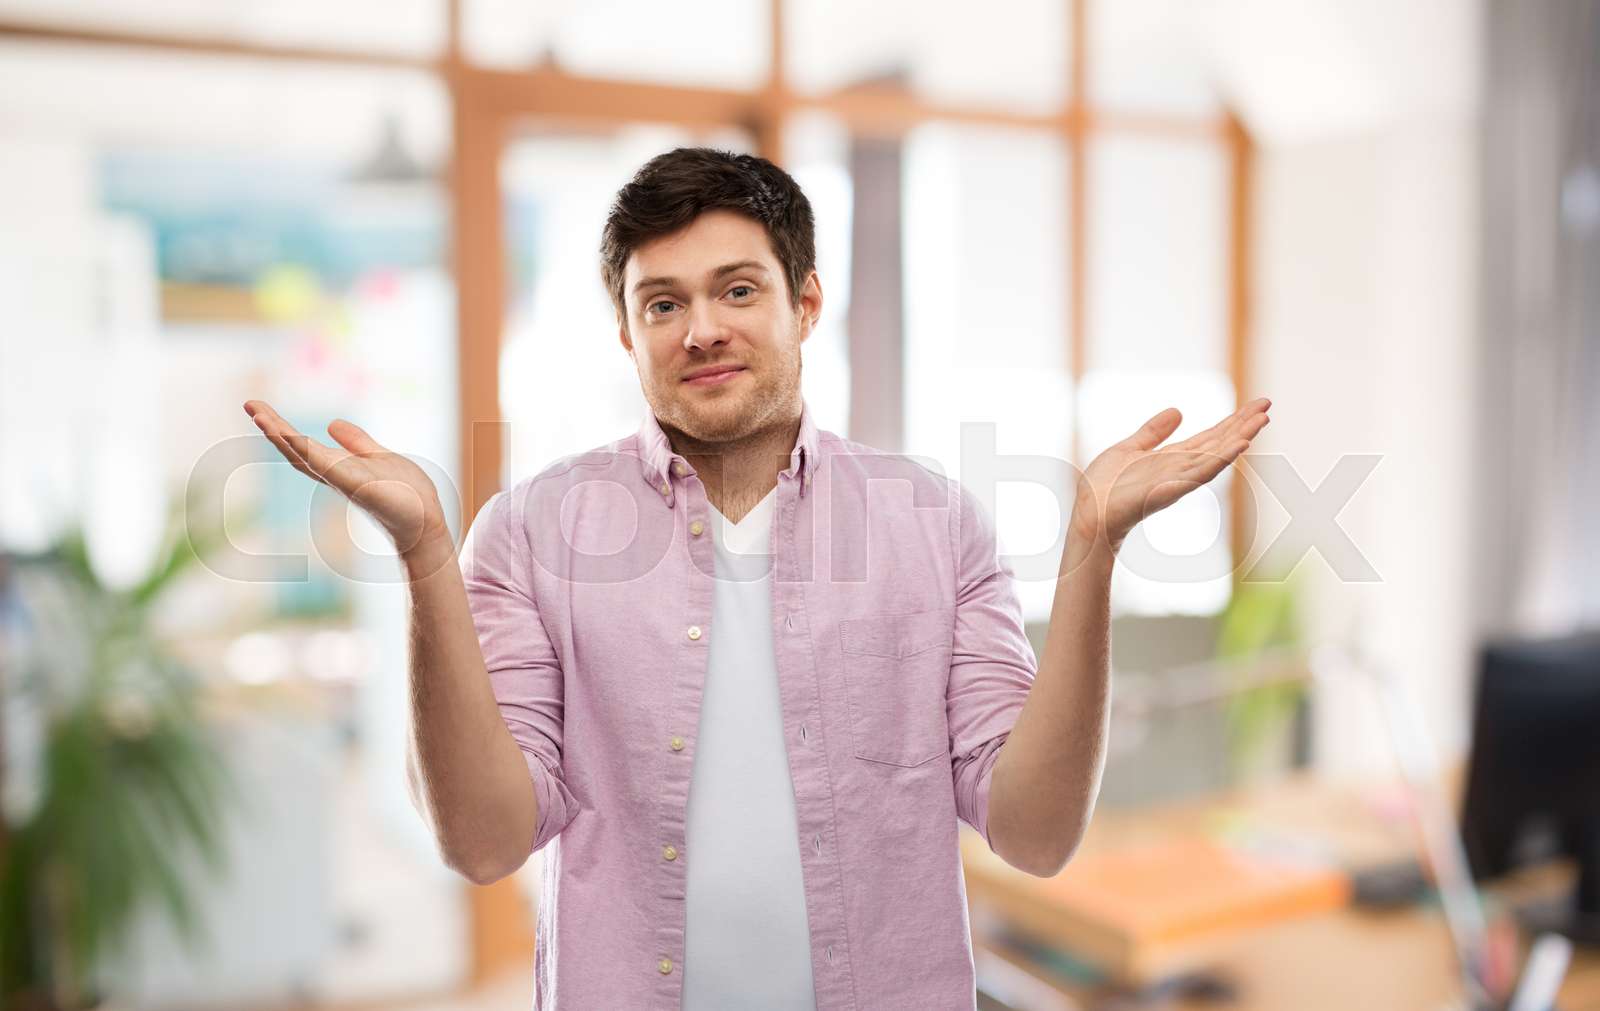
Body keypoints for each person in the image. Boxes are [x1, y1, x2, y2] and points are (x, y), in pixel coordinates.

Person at [243, 146, 1271, 1010]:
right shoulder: (529, 532)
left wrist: (1094, 548)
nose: (701, 329)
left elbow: (1035, 834)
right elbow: (482, 843)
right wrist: (425, 555)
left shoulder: (936, 523)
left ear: (805, 301)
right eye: (662, 303)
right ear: (627, 333)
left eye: (737, 289)